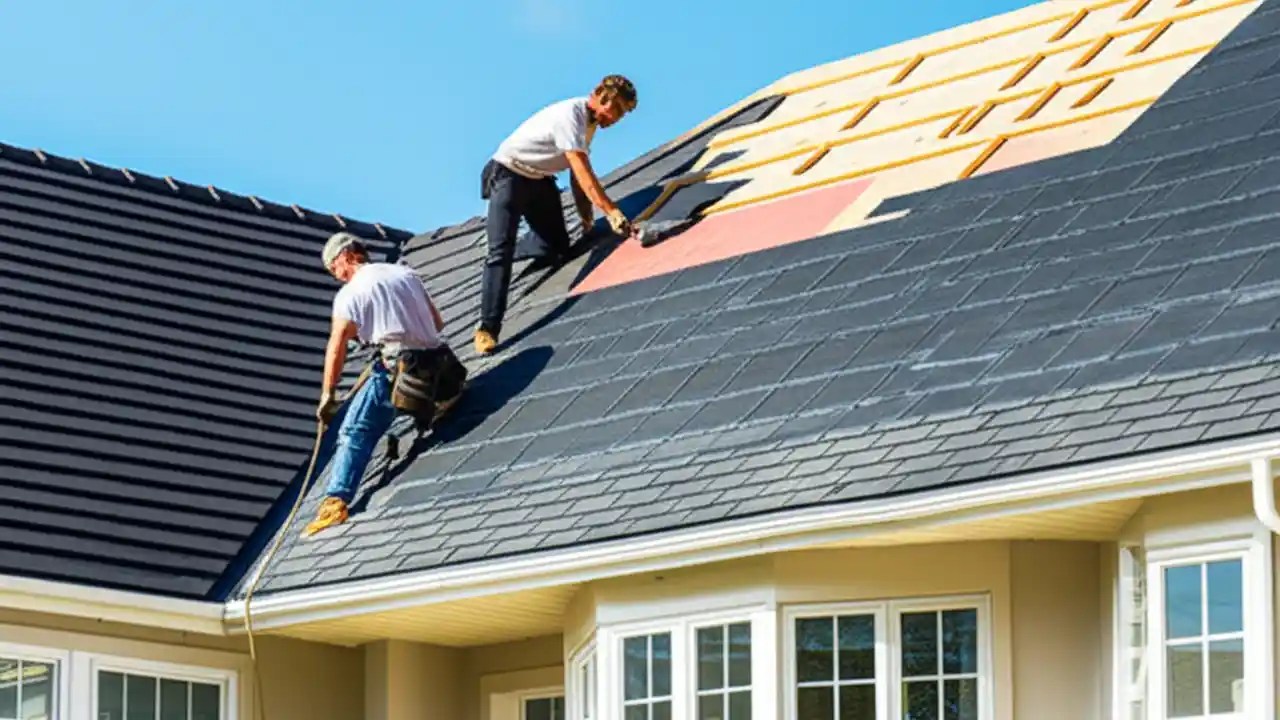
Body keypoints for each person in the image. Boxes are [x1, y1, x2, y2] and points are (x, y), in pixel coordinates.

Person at [305, 231, 457, 536]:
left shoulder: (350, 294)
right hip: (441, 368)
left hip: (399, 371)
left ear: (346, 257)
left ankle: (336, 501)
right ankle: (442, 404)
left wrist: (328, 395)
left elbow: (337, 346)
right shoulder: (405, 272)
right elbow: (437, 323)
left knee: (355, 430)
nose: (338, 277)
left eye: (336, 270)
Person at [475, 74, 639, 356]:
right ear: (601, 98)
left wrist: (586, 218)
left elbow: (577, 176)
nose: (616, 119)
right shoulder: (571, 116)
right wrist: (610, 211)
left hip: (538, 180)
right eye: (617, 111)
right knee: (499, 254)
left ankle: (510, 243)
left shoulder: (589, 125)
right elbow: (582, 169)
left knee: (557, 248)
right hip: (508, 173)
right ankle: (487, 329)